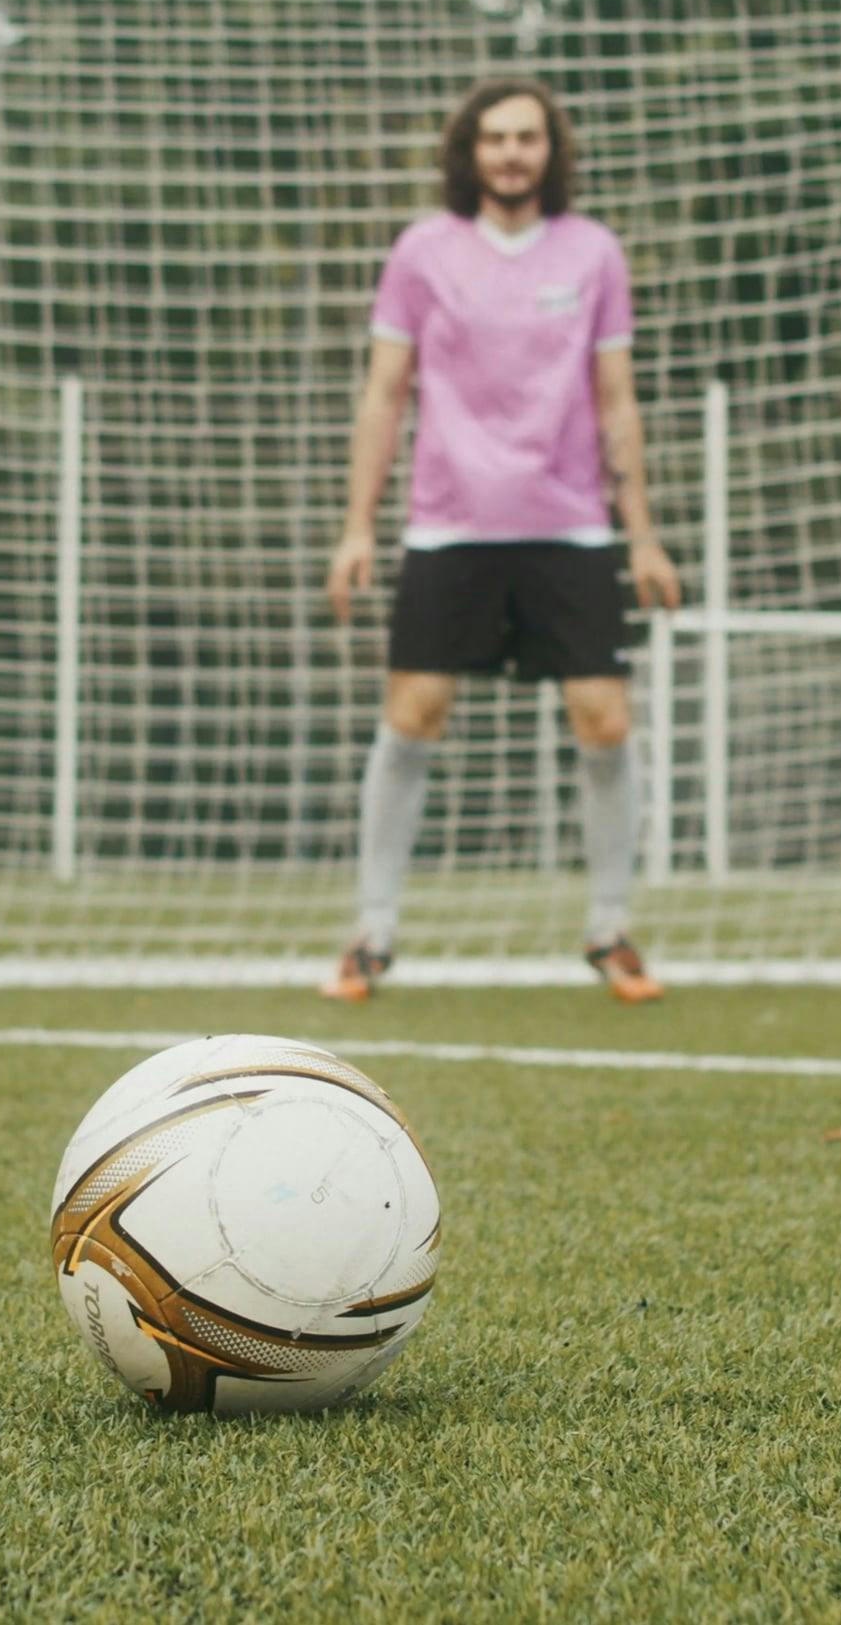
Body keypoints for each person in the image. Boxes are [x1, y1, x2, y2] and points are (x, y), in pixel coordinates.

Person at [322, 77, 681, 1004]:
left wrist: (641, 536)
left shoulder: (594, 252)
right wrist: (359, 525)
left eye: (527, 137)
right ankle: (373, 933)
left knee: (605, 717)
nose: (512, 153)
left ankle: (610, 928)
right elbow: (384, 391)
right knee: (413, 713)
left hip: (568, 526)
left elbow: (616, 398)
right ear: (470, 152)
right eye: (495, 138)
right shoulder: (422, 252)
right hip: (452, 525)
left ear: (550, 150)